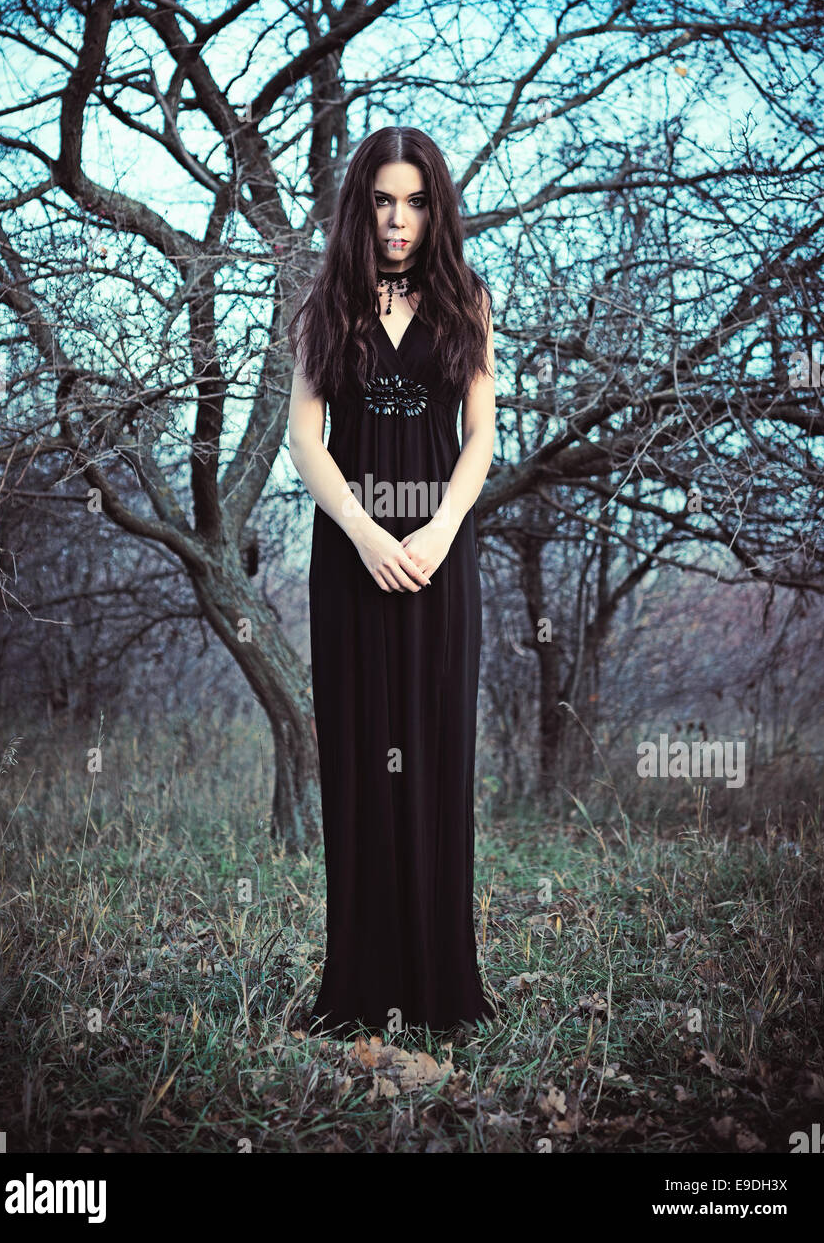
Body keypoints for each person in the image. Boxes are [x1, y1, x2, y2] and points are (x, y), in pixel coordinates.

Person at [287, 125, 497, 1038]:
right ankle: (358, 992)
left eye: (415, 200)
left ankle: (444, 989)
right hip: (350, 562)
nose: (399, 219)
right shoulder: (327, 306)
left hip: (442, 568)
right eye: (383, 199)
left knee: (436, 759)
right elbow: (305, 440)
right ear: (359, 205)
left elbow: (483, 436)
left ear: (435, 206)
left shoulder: (467, 303)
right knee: (360, 764)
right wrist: (370, 534)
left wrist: (441, 530)